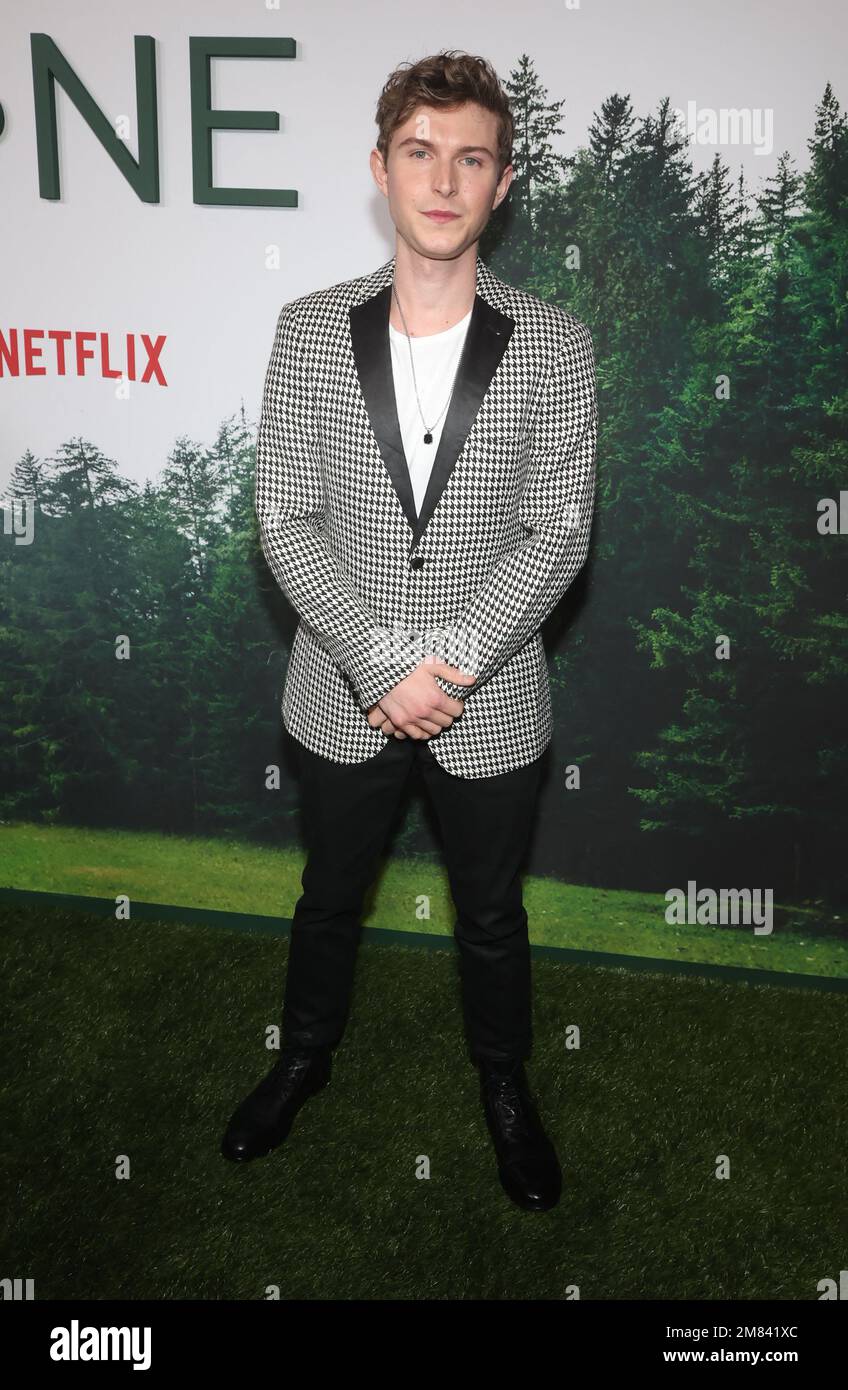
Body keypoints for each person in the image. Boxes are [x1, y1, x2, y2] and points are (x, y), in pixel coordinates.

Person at [221, 49, 598, 1212]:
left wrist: (452, 666)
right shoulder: (303, 329)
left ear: (503, 179)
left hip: (491, 704)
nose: (443, 180)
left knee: (489, 915)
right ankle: (300, 1058)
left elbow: (556, 534)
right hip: (340, 690)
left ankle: (502, 1084)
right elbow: (284, 519)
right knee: (327, 899)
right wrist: (384, 668)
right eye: (420, 153)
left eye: (469, 157)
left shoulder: (555, 344)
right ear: (379, 168)